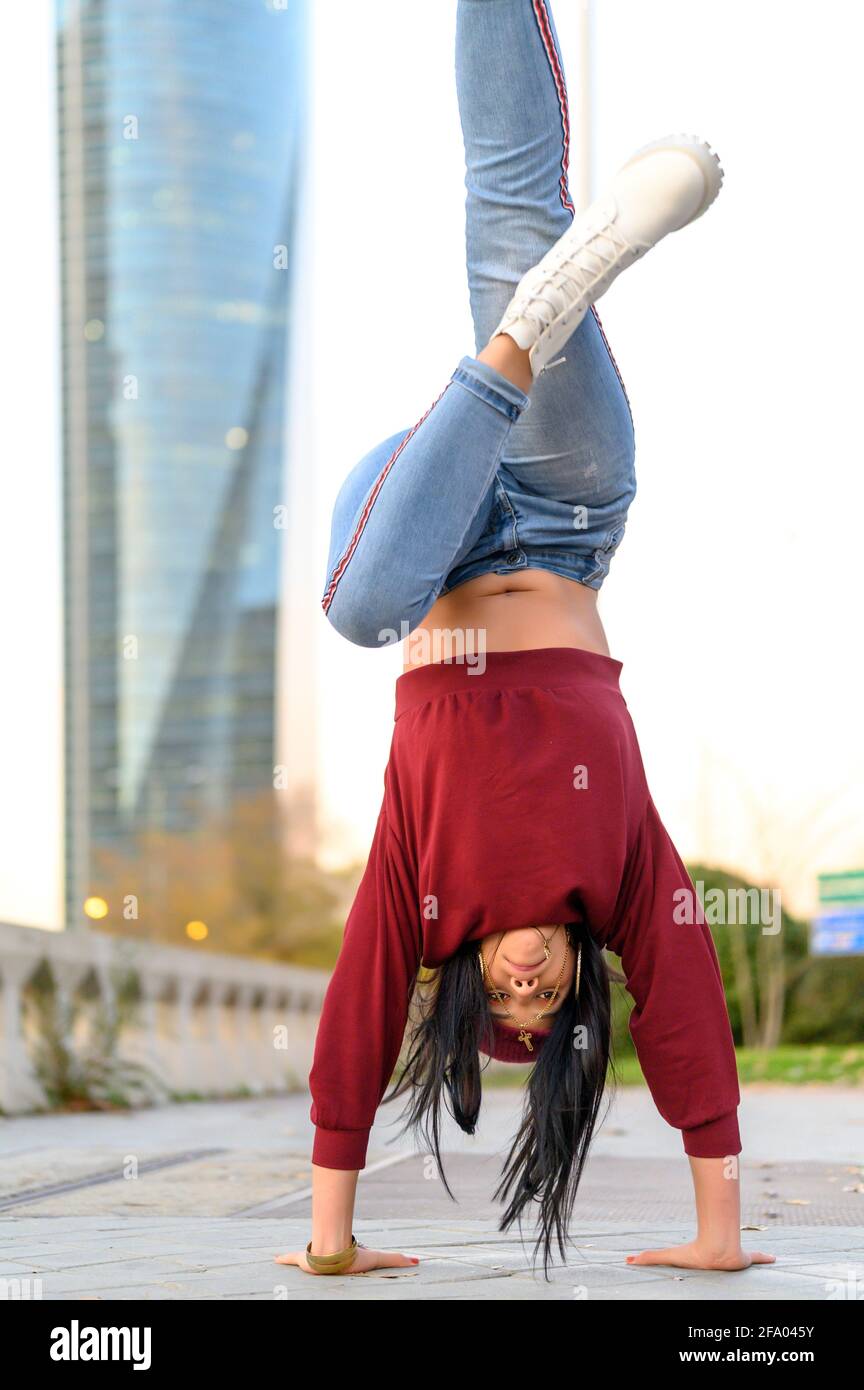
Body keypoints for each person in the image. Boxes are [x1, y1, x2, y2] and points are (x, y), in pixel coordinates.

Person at [276, 0, 775, 1281]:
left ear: (464, 985)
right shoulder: (617, 883)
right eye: (548, 1002)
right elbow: (688, 1005)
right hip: (562, 507)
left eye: (502, 997)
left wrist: (330, 1243)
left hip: (421, 525)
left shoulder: (422, 892)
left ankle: (521, 330)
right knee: (509, 203)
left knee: (358, 611)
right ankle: (549, 292)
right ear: (576, 984)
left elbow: (352, 1007)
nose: (527, 981)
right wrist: (719, 1236)